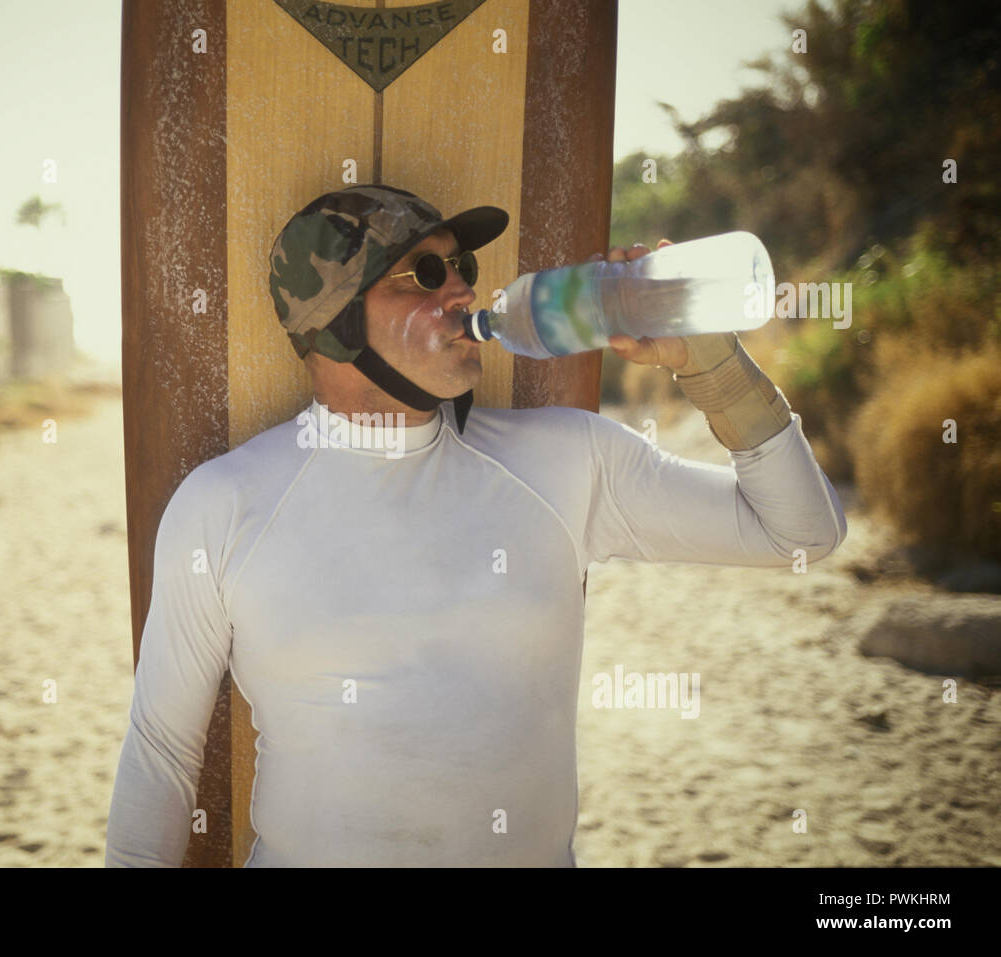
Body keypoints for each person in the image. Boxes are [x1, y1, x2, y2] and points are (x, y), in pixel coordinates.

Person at [105, 184, 846, 867]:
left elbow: (802, 535)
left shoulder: (566, 459)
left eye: (461, 266)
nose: (463, 289)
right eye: (424, 275)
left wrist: (712, 364)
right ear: (334, 327)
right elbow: (163, 752)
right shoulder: (224, 505)